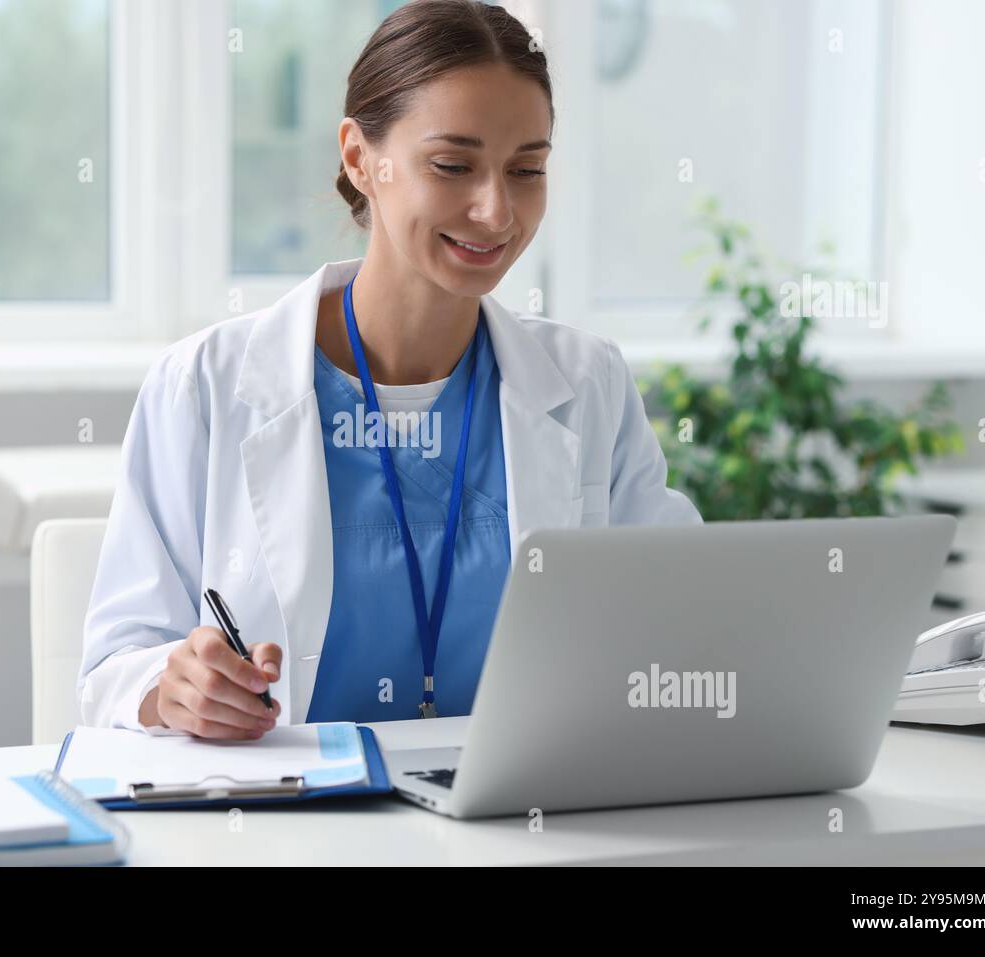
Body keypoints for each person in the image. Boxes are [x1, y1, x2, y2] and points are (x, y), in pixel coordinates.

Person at [79, 0, 701, 740]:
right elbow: (115, 667)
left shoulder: (588, 383)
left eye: (526, 169)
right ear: (358, 157)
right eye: (452, 165)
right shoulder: (203, 384)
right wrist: (172, 688)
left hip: (519, 821)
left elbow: (681, 616)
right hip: (294, 828)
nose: (496, 210)